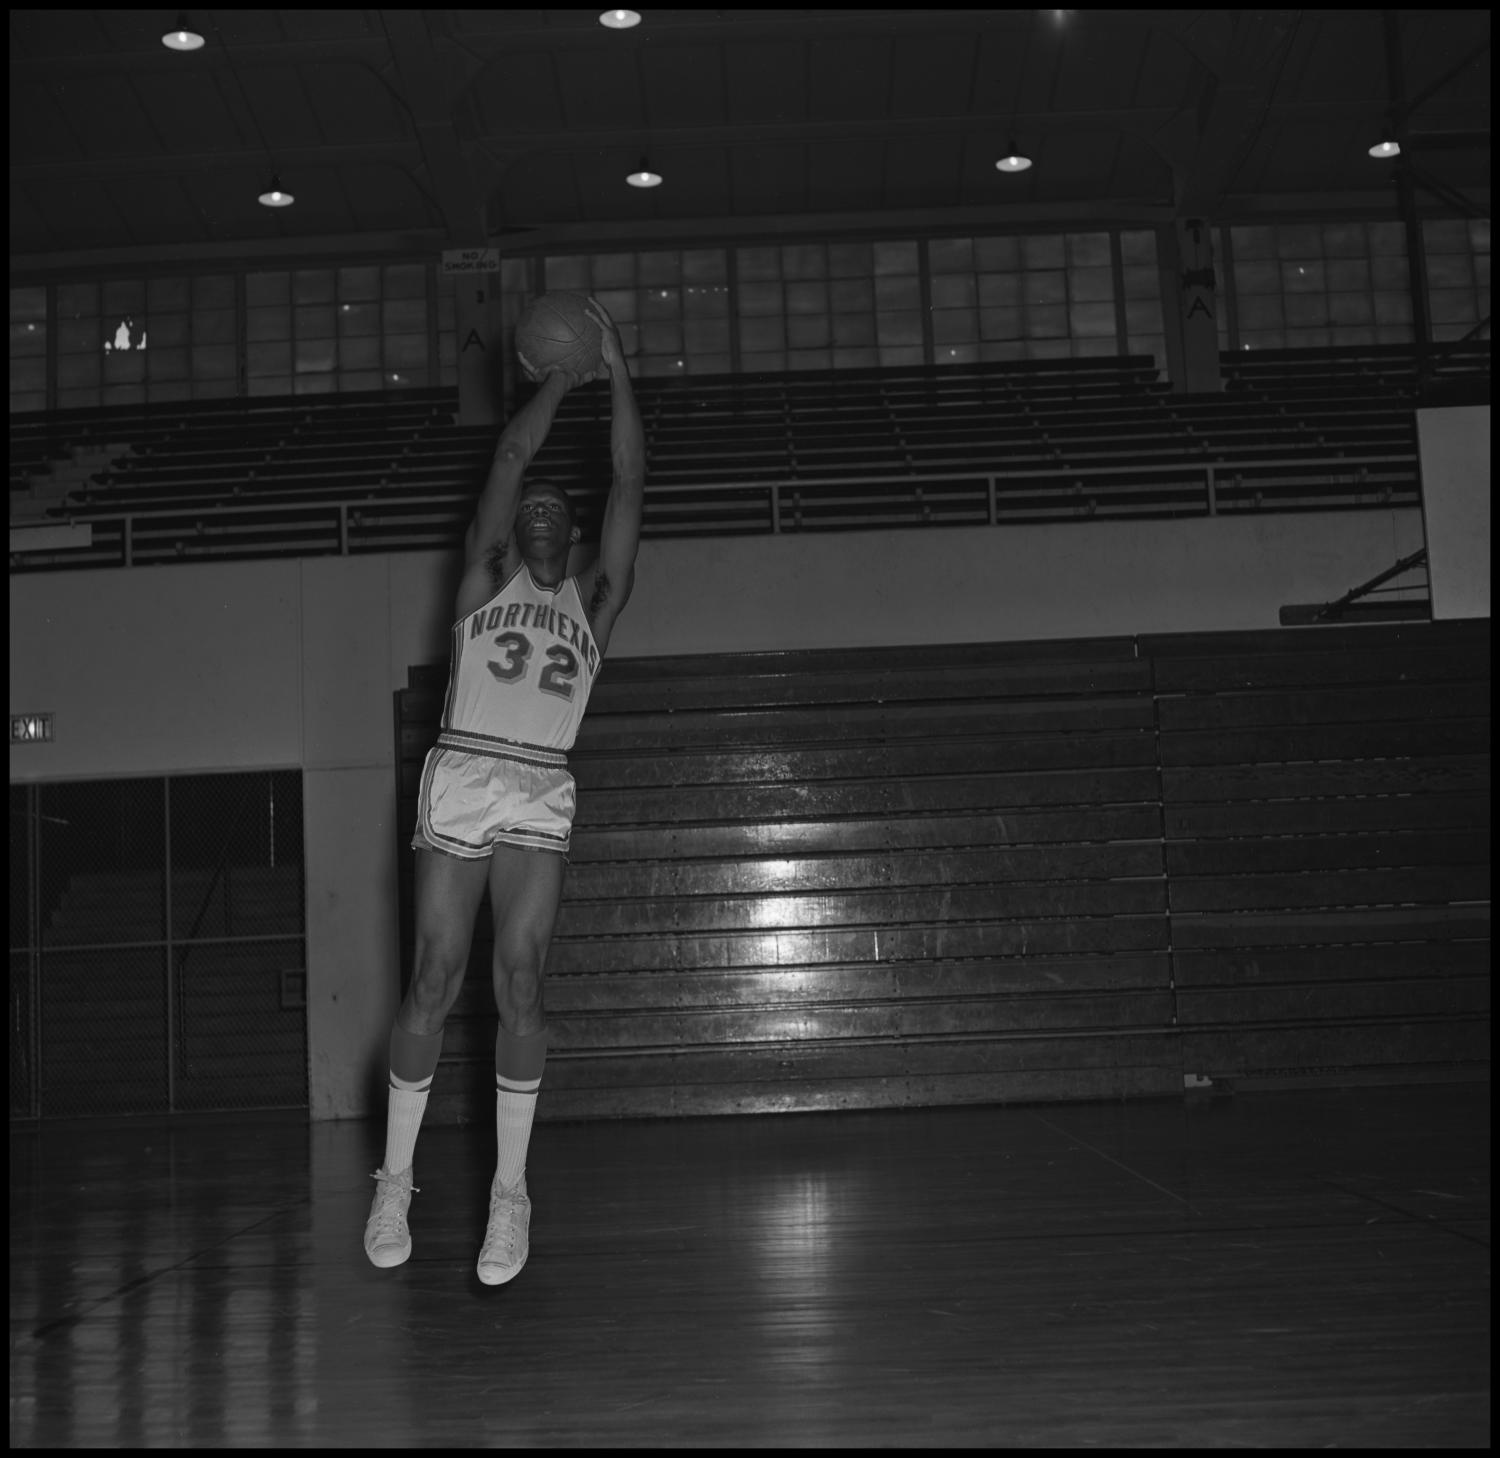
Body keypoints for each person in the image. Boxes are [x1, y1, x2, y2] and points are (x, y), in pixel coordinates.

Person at [364, 298, 643, 1285]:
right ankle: (395, 1178)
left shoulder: (596, 601)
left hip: (540, 783)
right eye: (529, 507)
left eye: (555, 509)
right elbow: (511, 458)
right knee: (434, 979)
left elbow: (629, 480)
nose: (540, 510)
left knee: (520, 981)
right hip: (464, 766)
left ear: (572, 532)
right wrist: (562, 375)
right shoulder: (485, 579)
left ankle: (510, 1195)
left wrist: (616, 367)